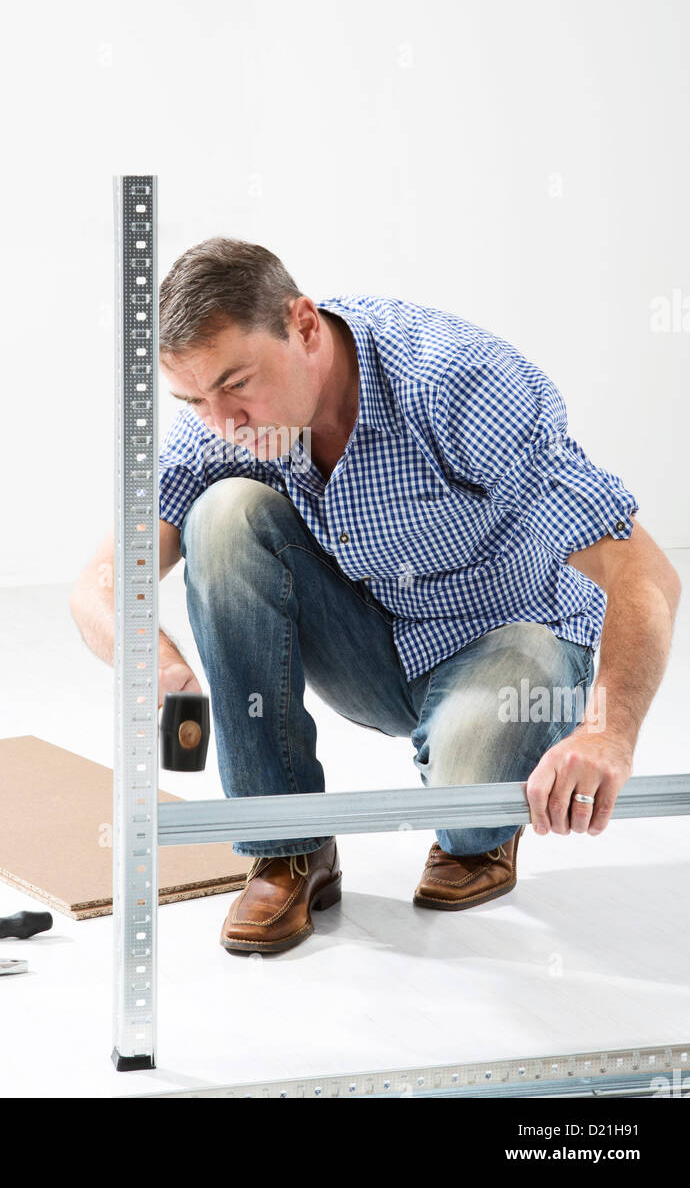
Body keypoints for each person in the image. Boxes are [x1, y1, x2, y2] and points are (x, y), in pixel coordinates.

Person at [70, 238, 681, 957]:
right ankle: (287, 845)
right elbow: (100, 582)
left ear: (303, 326)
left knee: (467, 815)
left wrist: (607, 734)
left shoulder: (457, 385)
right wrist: (154, 663)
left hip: (514, 640)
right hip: (376, 643)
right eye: (195, 401)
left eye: (237, 385)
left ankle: (479, 829)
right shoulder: (222, 416)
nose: (222, 422)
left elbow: (645, 574)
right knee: (222, 515)